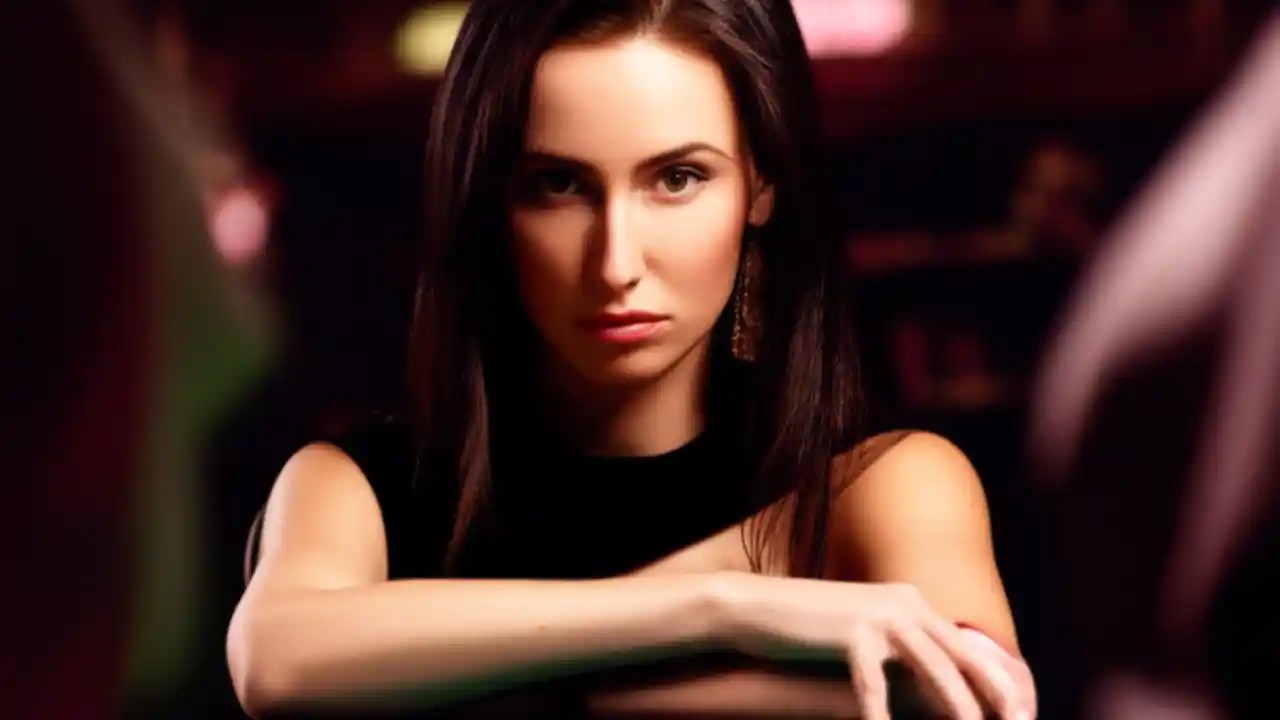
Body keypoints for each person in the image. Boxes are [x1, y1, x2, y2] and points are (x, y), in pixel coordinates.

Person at [228, 1, 1037, 718]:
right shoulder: (357, 487)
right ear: (491, 203)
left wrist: (459, 686)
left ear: (761, 184)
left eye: (677, 179)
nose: (615, 263)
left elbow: (967, 694)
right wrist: (721, 607)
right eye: (558, 185)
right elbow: (277, 660)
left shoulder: (879, 486)